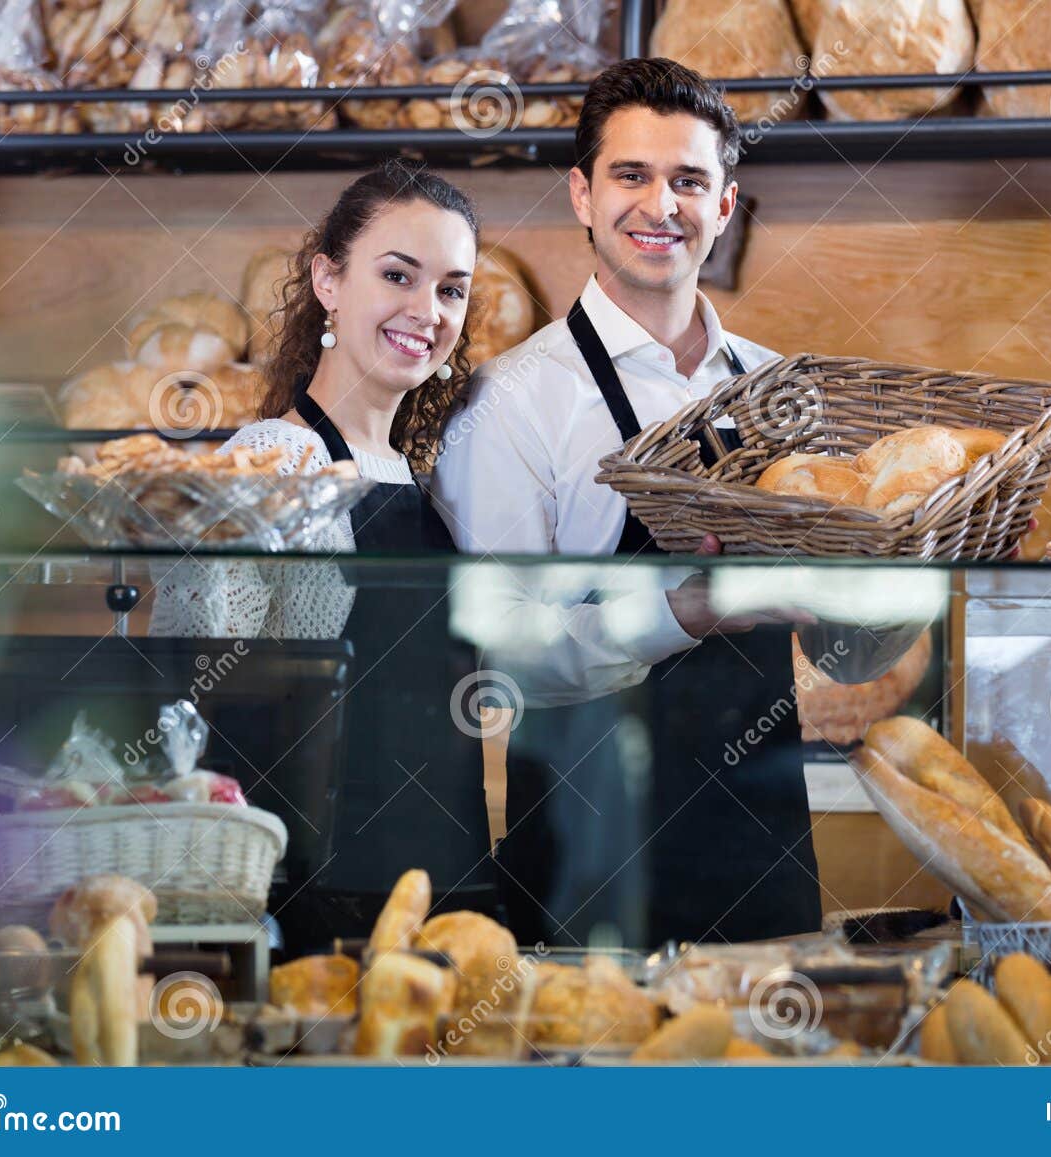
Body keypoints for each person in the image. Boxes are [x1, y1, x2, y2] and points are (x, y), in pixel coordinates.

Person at [431, 58, 826, 948]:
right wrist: (683, 610)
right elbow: (507, 654)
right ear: (581, 195)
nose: (662, 206)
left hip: (763, 841)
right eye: (631, 175)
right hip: (589, 844)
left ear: (725, 205)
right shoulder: (510, 402)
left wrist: (928, 563)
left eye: (690, 180)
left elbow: (837, 639)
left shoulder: (779, 390)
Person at [151, 160, 496, 950]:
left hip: (439, 864)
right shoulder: (274, 460)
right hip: (318, 881)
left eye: (451, 288)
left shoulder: (426, 475)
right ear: (329, 281)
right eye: (398, 275)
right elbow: (201, 693)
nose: (427, 309)